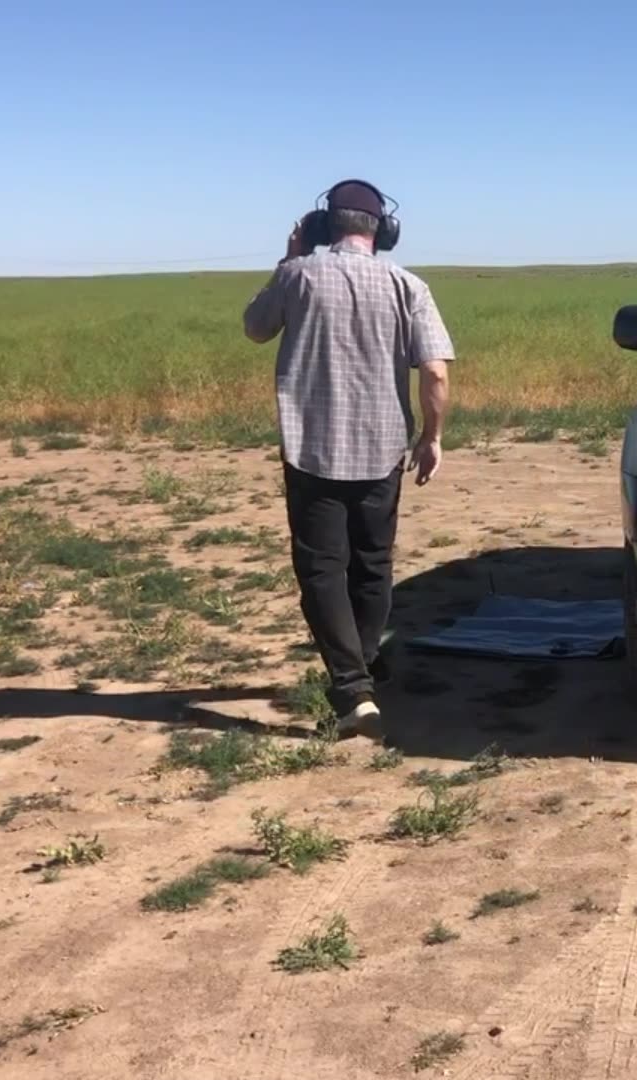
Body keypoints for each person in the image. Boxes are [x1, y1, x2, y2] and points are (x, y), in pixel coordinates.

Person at [243, 179, 453, 737]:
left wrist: (288, 260)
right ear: (383, 231)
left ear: (321, 227)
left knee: (321, 568)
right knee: (373, 562)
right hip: (384, 447)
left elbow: (255, 328)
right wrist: (431, 436)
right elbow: (434, 370)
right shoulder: (409, 285)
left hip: (311, 446)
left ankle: (352, 686)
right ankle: (361, 668)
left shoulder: (297, 276)